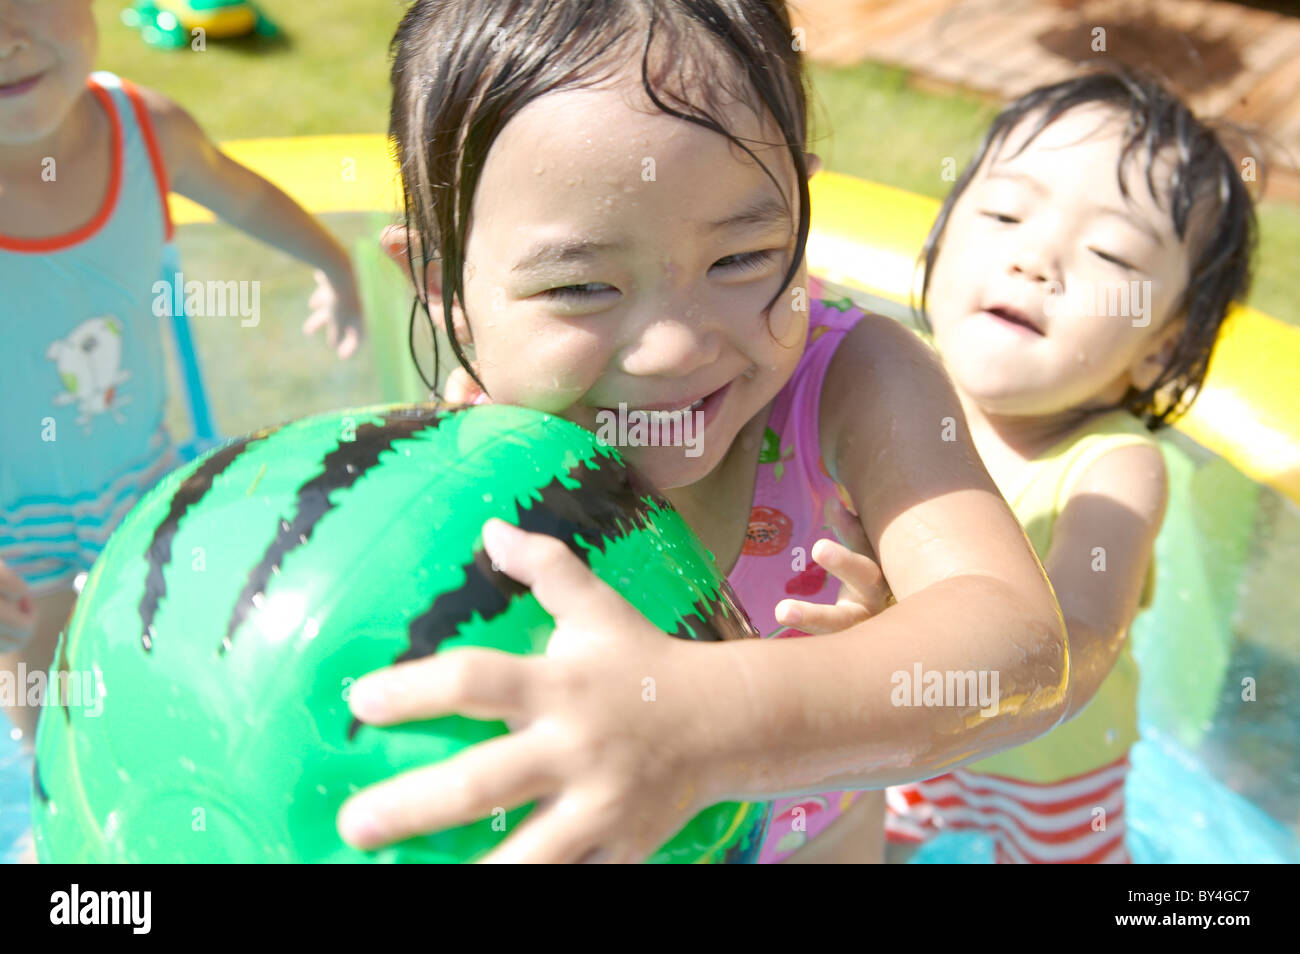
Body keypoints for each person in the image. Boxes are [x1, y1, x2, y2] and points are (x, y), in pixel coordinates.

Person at [332, 0, 1070, 864]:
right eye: (579, 287)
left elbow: (1016, 642)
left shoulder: (853, 385)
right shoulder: (463, 458)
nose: (676, 346)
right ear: (442, 283)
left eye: (741, 259)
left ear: (800, 211)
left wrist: (703, 719)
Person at [785, 71, 1256, 863]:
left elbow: (1083, 639)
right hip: (909, 725)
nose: (1034, 259)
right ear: (940, 237)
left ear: (1159, 347)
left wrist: (935, 655)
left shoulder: (1114, 467)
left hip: (1052, 772)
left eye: (1109, 252)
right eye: (1003, 214)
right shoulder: (878, 394)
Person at [0, 0, 366, 740]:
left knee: (161, 621)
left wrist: (332, 260)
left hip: (138, 461)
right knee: (35, 662)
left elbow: (245, 194)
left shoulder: (146, 132)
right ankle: (48, 809)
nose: (8, 40)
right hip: (11, 507)